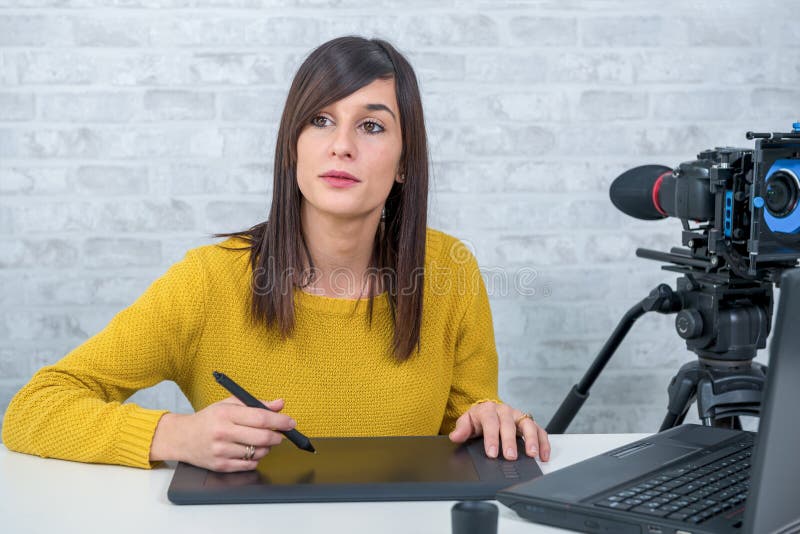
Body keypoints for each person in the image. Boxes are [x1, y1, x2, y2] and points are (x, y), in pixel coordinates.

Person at [1, 36, 550, 473]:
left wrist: (491, 419)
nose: (342, 145)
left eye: (372, 125)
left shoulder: (448, 271)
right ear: (293, 146)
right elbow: (33, 408)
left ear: (405, 162)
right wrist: (173, 435)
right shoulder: (210, 280)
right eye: (321, 120)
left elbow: (466, 421)